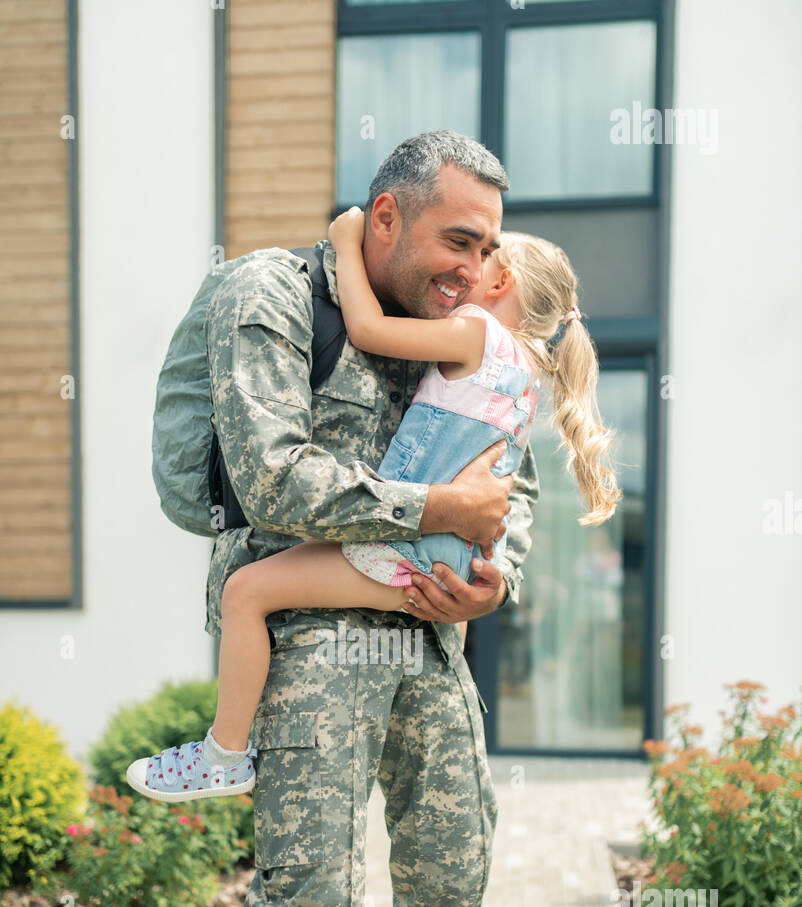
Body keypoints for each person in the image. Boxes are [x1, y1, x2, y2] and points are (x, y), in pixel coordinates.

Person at [155, 132, 555, 907]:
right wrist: (437, 506)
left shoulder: (458, 320)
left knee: (453, 858)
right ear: (384, 217)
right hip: (309, 633)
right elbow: (272, 469)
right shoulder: (267, 298)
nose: (471, 266)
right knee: (310, 893)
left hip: (427, 628)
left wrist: (492, 570)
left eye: (486, 245)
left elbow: (499, 475)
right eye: (453, 239)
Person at [126, 218, 618, 804]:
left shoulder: (477, 333)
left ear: (501, 280)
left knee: (245, 592)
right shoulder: (524, 375)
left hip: (407, 546)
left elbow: (367, 328)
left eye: (481, 254)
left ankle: (224, 755)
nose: (465, 268)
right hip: (447, 565)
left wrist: (343, 243)